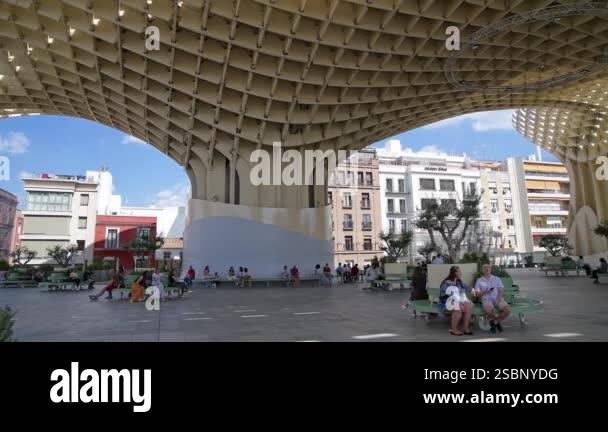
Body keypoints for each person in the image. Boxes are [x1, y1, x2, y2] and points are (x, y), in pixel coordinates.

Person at [474, 263, 511, 333]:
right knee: (488, 310)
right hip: (487, 299)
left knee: (508, 310)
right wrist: (485, 292)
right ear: (482, 270)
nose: (487, 269)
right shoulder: (479, 280)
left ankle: (494, 321)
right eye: (485, 268)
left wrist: (498, 299)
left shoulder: (497, 279)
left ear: (490, 269)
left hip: (498, 298)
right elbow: (477, 294)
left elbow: (501, 290)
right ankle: (496, 322)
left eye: (488, 267)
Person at [439, 266, 473, 336]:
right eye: (459, 271)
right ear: (455, 273)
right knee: (459, 307)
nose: (461, 273)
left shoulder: (459, 282)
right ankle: (453, 329)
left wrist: (474, 290)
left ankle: (465, 328)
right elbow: (449, 296)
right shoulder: (446, 283)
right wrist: (460, 303)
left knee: (469, 305)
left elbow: (468, 288)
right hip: (446, 302)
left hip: (458, 301)